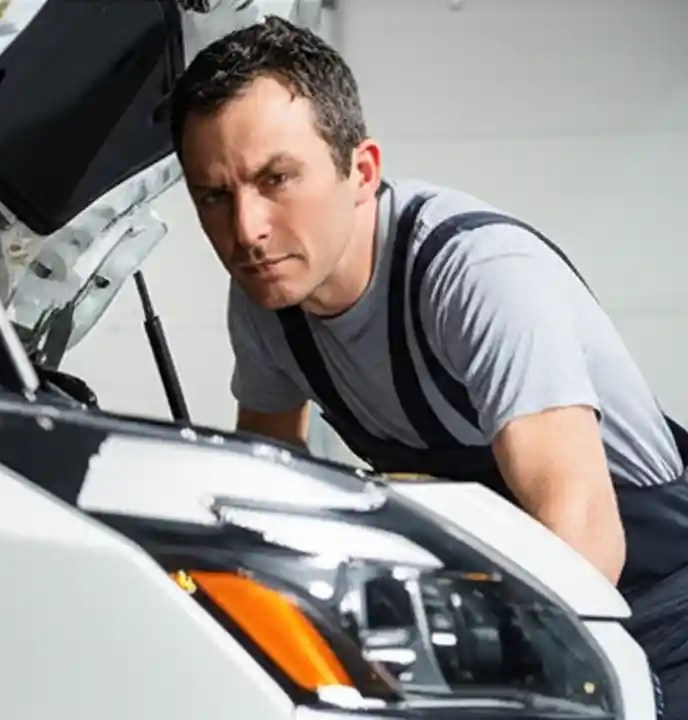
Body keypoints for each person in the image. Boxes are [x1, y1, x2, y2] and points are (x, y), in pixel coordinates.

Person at [169, 14, 688, 713]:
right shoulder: (265, 304)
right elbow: (267, 491)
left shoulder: (475, 275)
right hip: (523, 600)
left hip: (657, 599)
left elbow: (585, 536)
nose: (247, 229)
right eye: (214, 195)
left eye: (277, 178)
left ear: (361, 171)